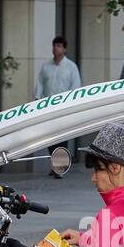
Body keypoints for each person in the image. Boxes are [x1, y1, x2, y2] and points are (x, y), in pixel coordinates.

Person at [37, 36, 82, 175]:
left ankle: (60, 168)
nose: (56, 48)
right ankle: (55, 165)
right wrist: (37, 99)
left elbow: (76, 86)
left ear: (64, 49)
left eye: (59, 46)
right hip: (47, 106)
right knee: (50, 138)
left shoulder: (71, 67)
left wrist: (72, 105)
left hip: (63, 108)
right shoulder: (46, 66)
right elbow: (39, 83)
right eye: (54, 45)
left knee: (61, 138)